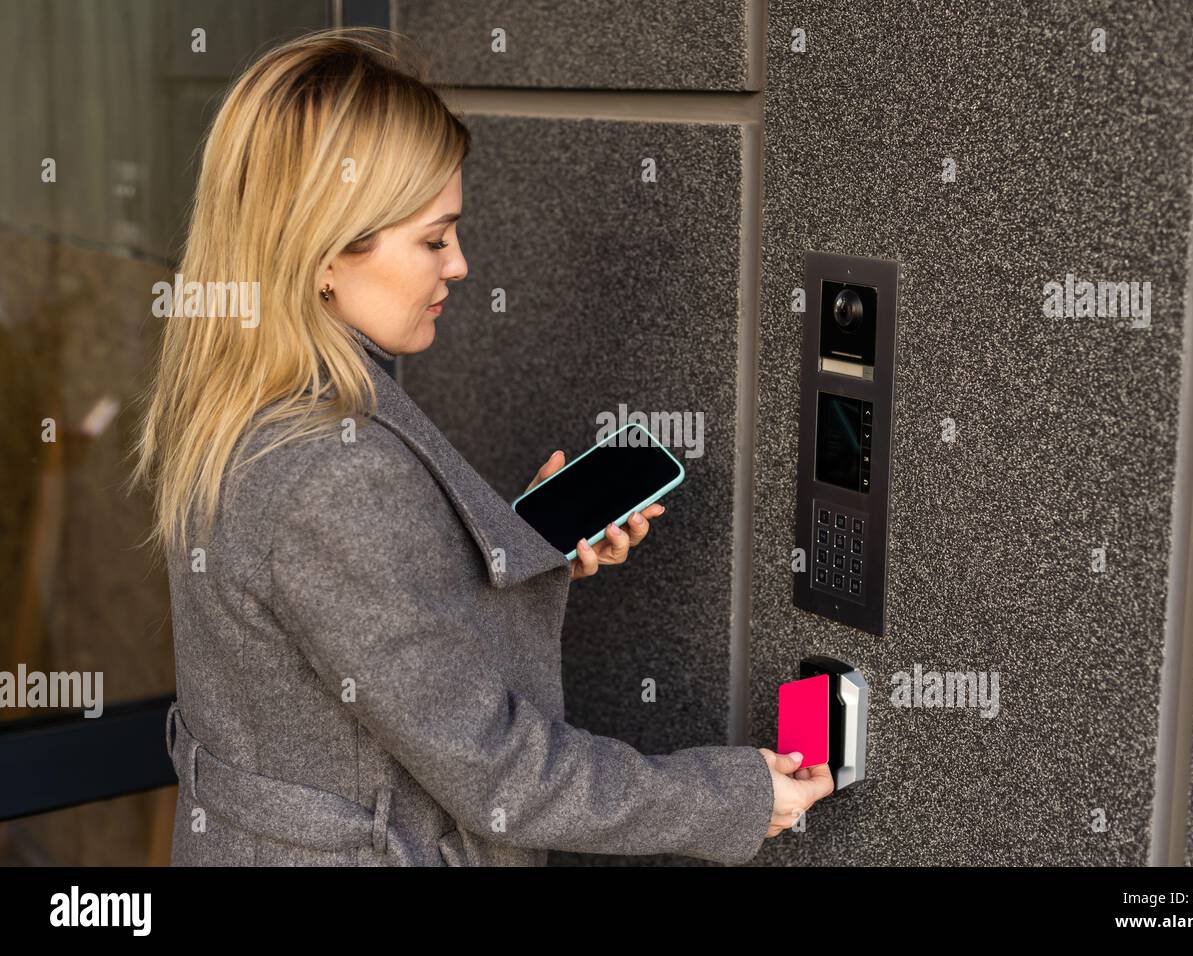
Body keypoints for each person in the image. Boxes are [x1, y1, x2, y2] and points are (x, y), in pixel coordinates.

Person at [130, 26, 832, 867]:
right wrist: (737, 798)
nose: (459, 265)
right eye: (433, 238)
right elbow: (505, 778)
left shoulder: (233, 400)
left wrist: (522, 551)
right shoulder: (335, 471)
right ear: (322, 253)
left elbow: (351, 632)